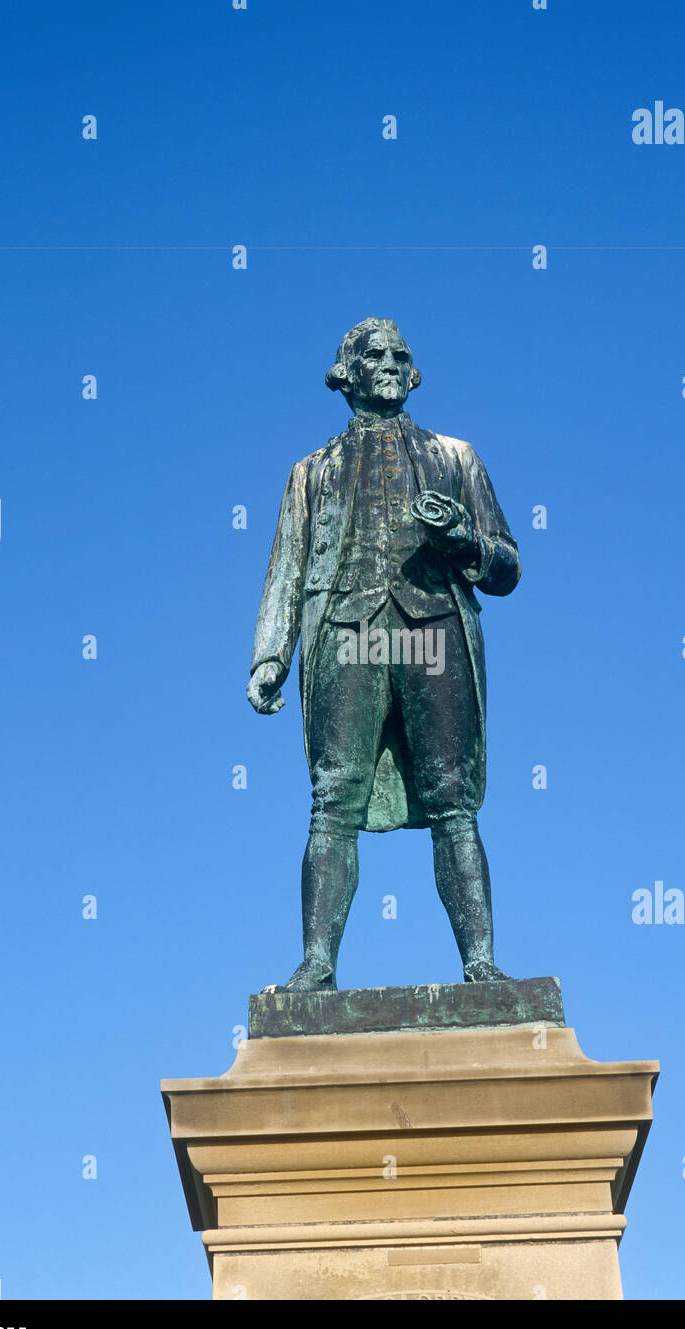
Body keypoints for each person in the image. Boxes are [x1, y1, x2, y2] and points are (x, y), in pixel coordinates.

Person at [248, 318, 521, 990]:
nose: (393, 363)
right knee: (332, 800)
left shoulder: (456, 458)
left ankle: (481, 965)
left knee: (454, 801)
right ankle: (316, 965)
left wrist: (462, 538)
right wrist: (269, 657)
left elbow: (507, 567)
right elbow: (285, 566)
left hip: (432, 633)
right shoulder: (311, 473)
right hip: (346, 631)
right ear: (346, 373)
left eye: (402, 354)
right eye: (376, 355)